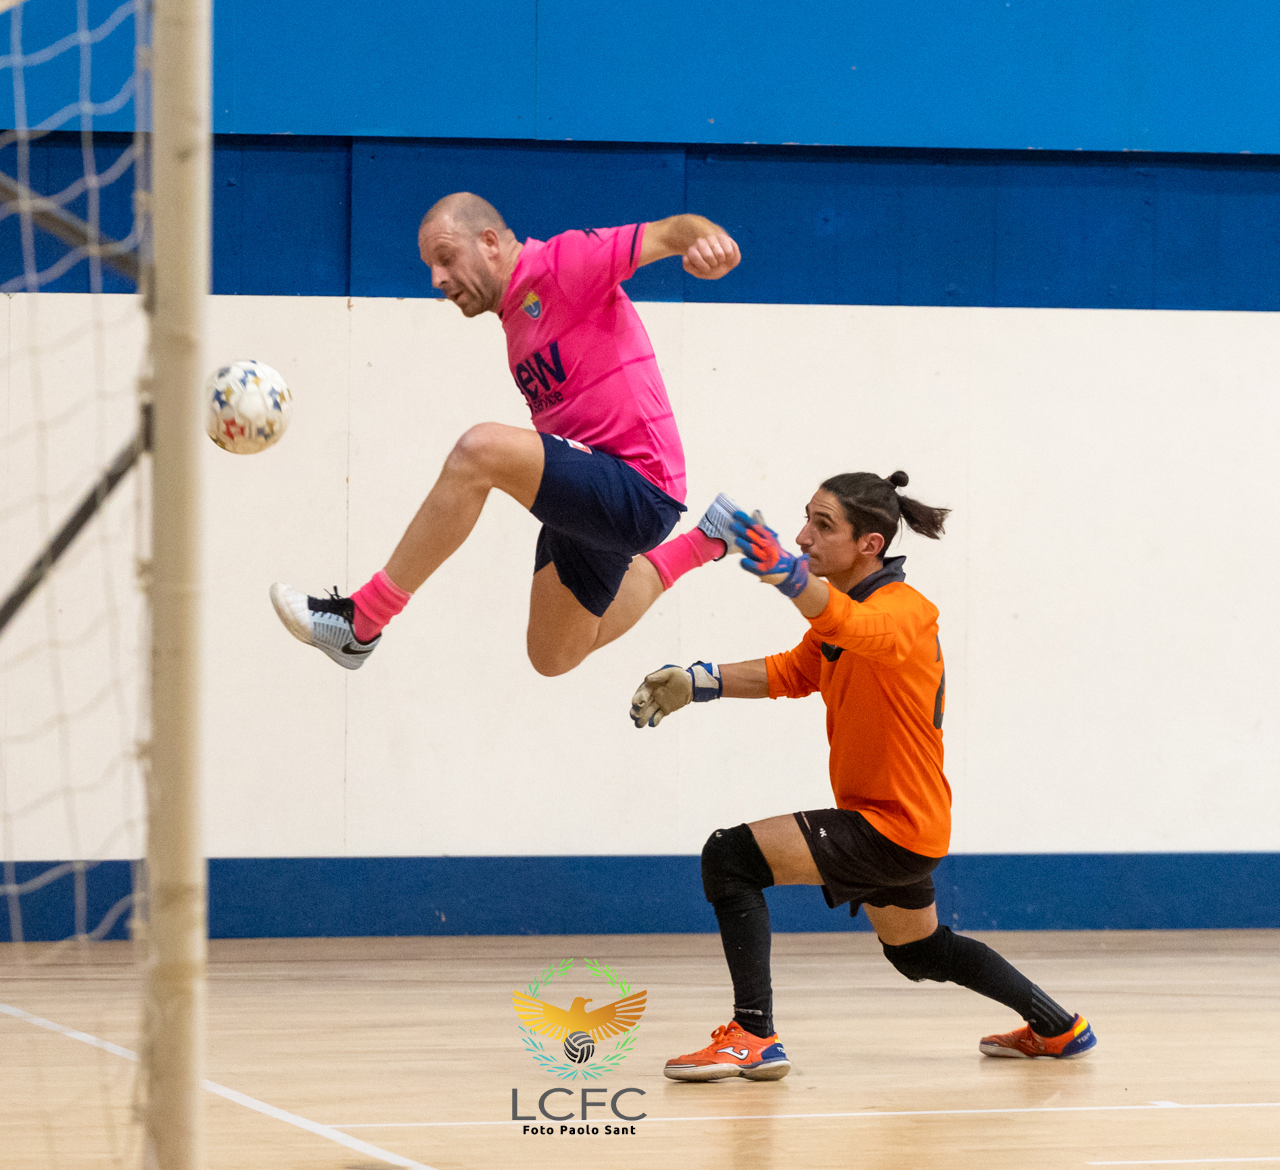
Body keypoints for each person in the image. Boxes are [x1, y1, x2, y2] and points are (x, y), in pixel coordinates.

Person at [629, 471, 1095, 1081]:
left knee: (730, 856)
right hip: (908, 826)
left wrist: (786, 574)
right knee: (921, 952)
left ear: (869, 544)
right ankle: (1059, 1028)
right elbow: (797, 669)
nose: (802, 536)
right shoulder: (854, 612)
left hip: (889, 825)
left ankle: (753, 1034)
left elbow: (850, 629)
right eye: (805, 520)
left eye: (823, 526)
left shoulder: (902, 614)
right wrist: (699, 681)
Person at [271, 192, 746, 676]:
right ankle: (707, 540)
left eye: (446, 258)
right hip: (590, 492)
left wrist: (711, 241)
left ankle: (364, 619)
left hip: (641, 487)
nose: (437, 279)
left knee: (478, 452)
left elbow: (671, 230)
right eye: (431, 266)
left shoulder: (564, 261)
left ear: (490, 242)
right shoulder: (514, 318)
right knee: (553, 655)